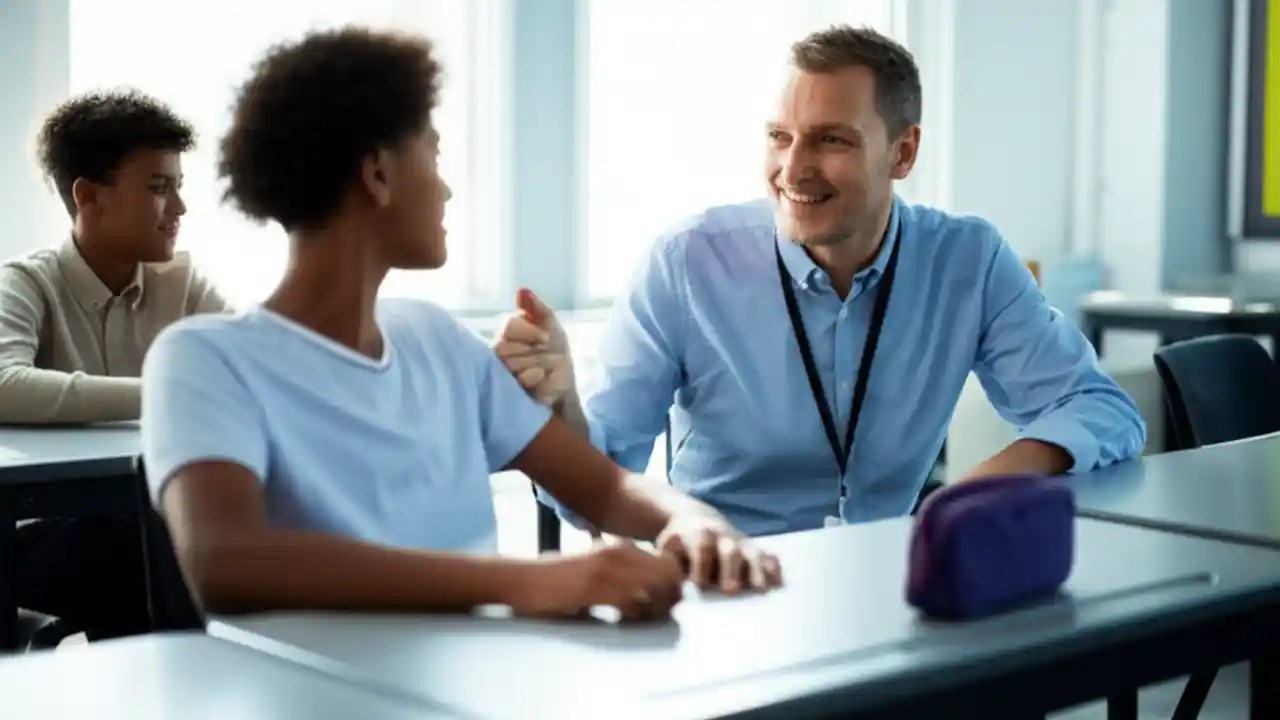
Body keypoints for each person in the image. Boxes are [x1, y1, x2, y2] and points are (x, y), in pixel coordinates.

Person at [141, 27, 780, 621]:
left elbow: (604, 487)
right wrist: (526, 581)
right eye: (434, 154)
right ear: (379, 173)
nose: (446, 190)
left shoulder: (436, 340)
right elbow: (225, 563)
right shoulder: (203, 358)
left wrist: (694, 519)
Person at [496, 25, 1147, 537]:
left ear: (904, 152)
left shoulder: (966, 261)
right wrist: (559, 412)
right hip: (729, 594)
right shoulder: (687, 262)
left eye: (829, 140)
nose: (793, 168)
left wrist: (995, 480)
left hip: (892, 599)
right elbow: (596, 486)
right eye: (780, 136)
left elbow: (1103, 410)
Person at [2, 90, 230, 642]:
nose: (178, 208)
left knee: (173, 531)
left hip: (150, 518)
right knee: (140, 544)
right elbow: (5, 384)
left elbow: (249, 369)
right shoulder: (26, 283)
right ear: (89, 197)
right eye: (158, 188)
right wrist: (166, 390)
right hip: (44, 529)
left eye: (178, 187)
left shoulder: (183, 281)